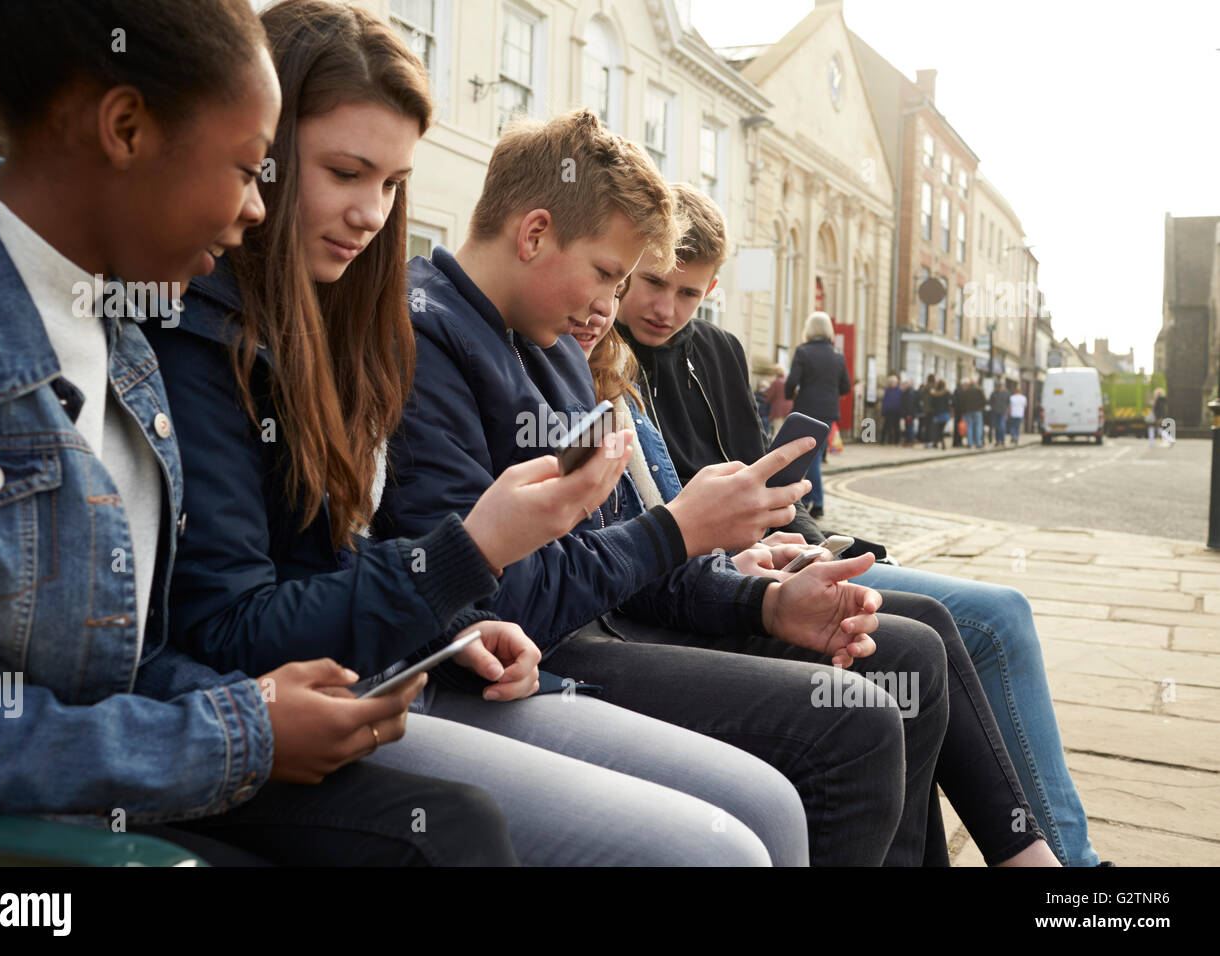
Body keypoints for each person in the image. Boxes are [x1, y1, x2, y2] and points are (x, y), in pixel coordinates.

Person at [145, 0, 806, 867]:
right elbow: (235, 624)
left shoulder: (361, 329)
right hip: (305, 706)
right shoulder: (273, 333)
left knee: (775, 803)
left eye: (390, 184)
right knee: (724, 840)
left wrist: (456, 629)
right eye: (345, 172)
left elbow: (348, 563)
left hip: (435, 666)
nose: (372, 213)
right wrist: (484, 554)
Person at [0, 0, 523, 866]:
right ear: (126, 128)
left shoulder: (121, 332)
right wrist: (238, 730)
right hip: (10, 846)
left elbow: (129, 656)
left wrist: (265, 707)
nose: (254, 211)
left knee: (449, 829)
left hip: (128, 789)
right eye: (247, 168)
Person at [376, 109, 963, 866]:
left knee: (903, 655)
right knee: (853, 728)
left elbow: (626, 547)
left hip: (604, 624)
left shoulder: (551, 344)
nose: (609, 309)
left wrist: (764, 601)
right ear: (533, 235)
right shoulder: (428, 337)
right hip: (541, 657)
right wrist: (678, 531)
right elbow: (493, 603)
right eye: (612, 277)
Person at [611, 182, 1099, 866]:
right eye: (652, 283)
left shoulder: (716, 350)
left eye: (688, 293)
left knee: (996, 613)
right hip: (715, 580)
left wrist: (828, 545)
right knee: (921, 639)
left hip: (790, 554)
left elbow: (770, 481)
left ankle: (1064, 862)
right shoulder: (599, 345)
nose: (665, 308)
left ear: (712, 288)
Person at [780, 313, 849, 517]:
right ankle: (809, 499)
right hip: (828, 412)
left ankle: (816, 501)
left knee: (808, 457)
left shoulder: (803, 351)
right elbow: (845, 386)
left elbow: (792, 381)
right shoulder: (838, 355)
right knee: (813, 456)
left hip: (806, 409)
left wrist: (789, 394)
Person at [960, 377, 987, 448]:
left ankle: (969, 443)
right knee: (978, 427)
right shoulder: (979, 390)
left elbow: (962, 402)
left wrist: (964, 410)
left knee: (969, 427)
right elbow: (984, 400)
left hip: (968, 411)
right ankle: (978, 443)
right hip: (978, 411)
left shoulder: (966, 391)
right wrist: (981, 408)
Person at [927, 378, 951, 450]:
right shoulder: (947, 393)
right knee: (940, 430)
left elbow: (932, 404)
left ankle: (937, 444)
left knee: (937, 430)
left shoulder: (934, 393)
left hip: (937, 414)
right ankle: (940, 444)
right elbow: (950, 402)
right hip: (945, 414)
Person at [880, 374, 903, 445]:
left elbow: (902, 401)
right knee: (886, 426)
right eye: (891, 382)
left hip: (897, 411)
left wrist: (901, 410)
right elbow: (884, 400)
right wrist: (883, 409)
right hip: (888, 410)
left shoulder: (899, 390)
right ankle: (883, 440)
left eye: (893, 382)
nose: (892, 384)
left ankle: (896, 441)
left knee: (896, 427)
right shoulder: (887, 390)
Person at [901, 377, 921, 446]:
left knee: (909, 427)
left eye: (903, 385)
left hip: (909, 414)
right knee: (908, 426)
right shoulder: (908, 392)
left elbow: (909, 404)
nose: (902, 387)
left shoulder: (909, 392)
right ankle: (909, 440)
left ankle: (911, 441)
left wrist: (909, 414)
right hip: (908, 413)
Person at [990, 380, 1010, 446]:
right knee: (996, 427)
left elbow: (1008, 403)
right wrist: (993, 408)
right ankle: (997, 440)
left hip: (1003, 412)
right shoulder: (994, 393)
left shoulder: (1006, 393)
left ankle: (1002, 440)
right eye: (998, 387)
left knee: (1002, 426)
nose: (999, 388)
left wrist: (1007, 412)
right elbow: (991, 402)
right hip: (995, 412)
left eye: (1000, 386)